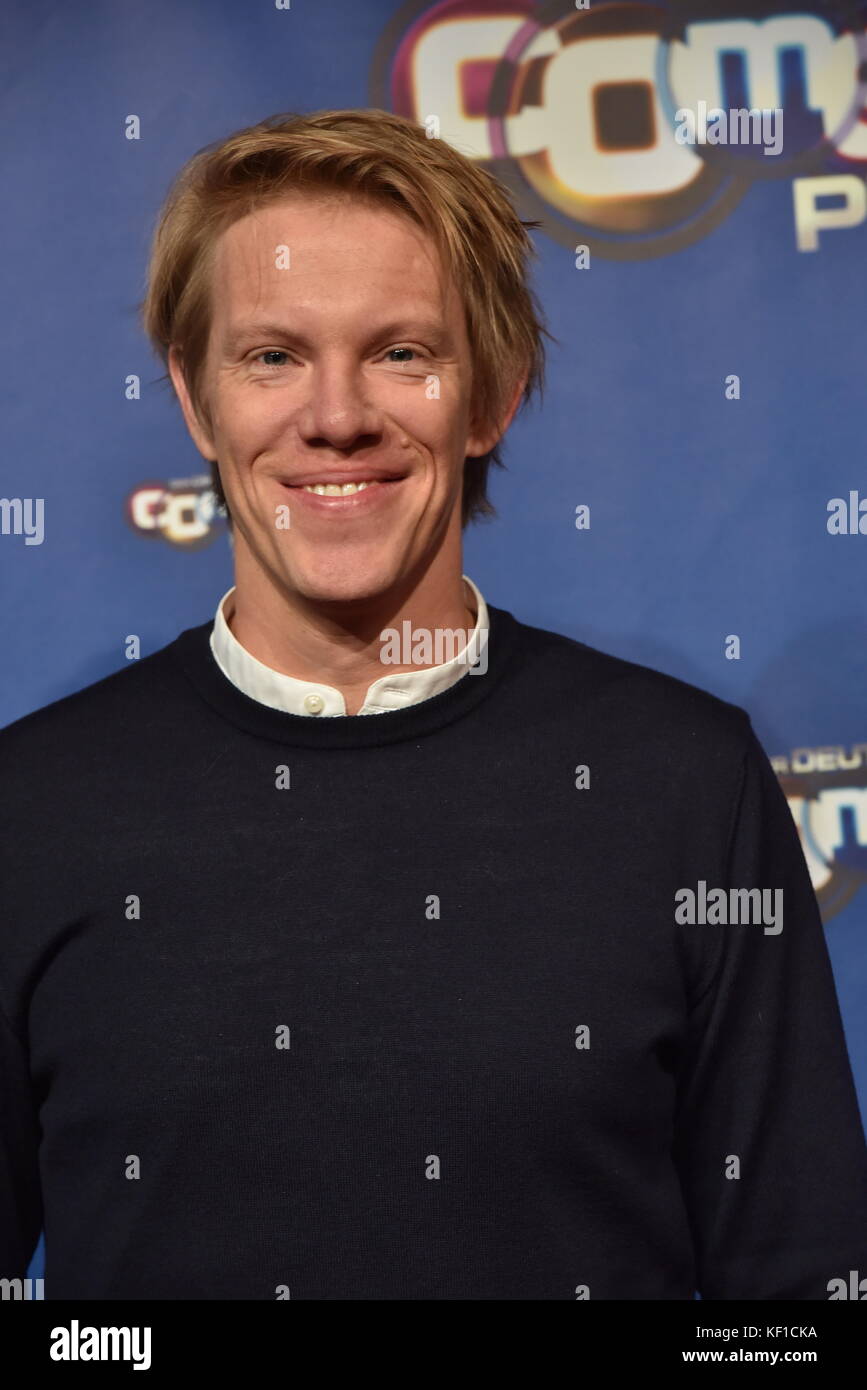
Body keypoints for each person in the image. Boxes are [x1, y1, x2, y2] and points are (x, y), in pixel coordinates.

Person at [1, 109, 866, 1300]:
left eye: (402, 352)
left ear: (493, 397)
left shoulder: (685, 785)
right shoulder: (32, 810)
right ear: (197, 402)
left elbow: (800, 1293)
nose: (338, 414)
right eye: (272, 356)